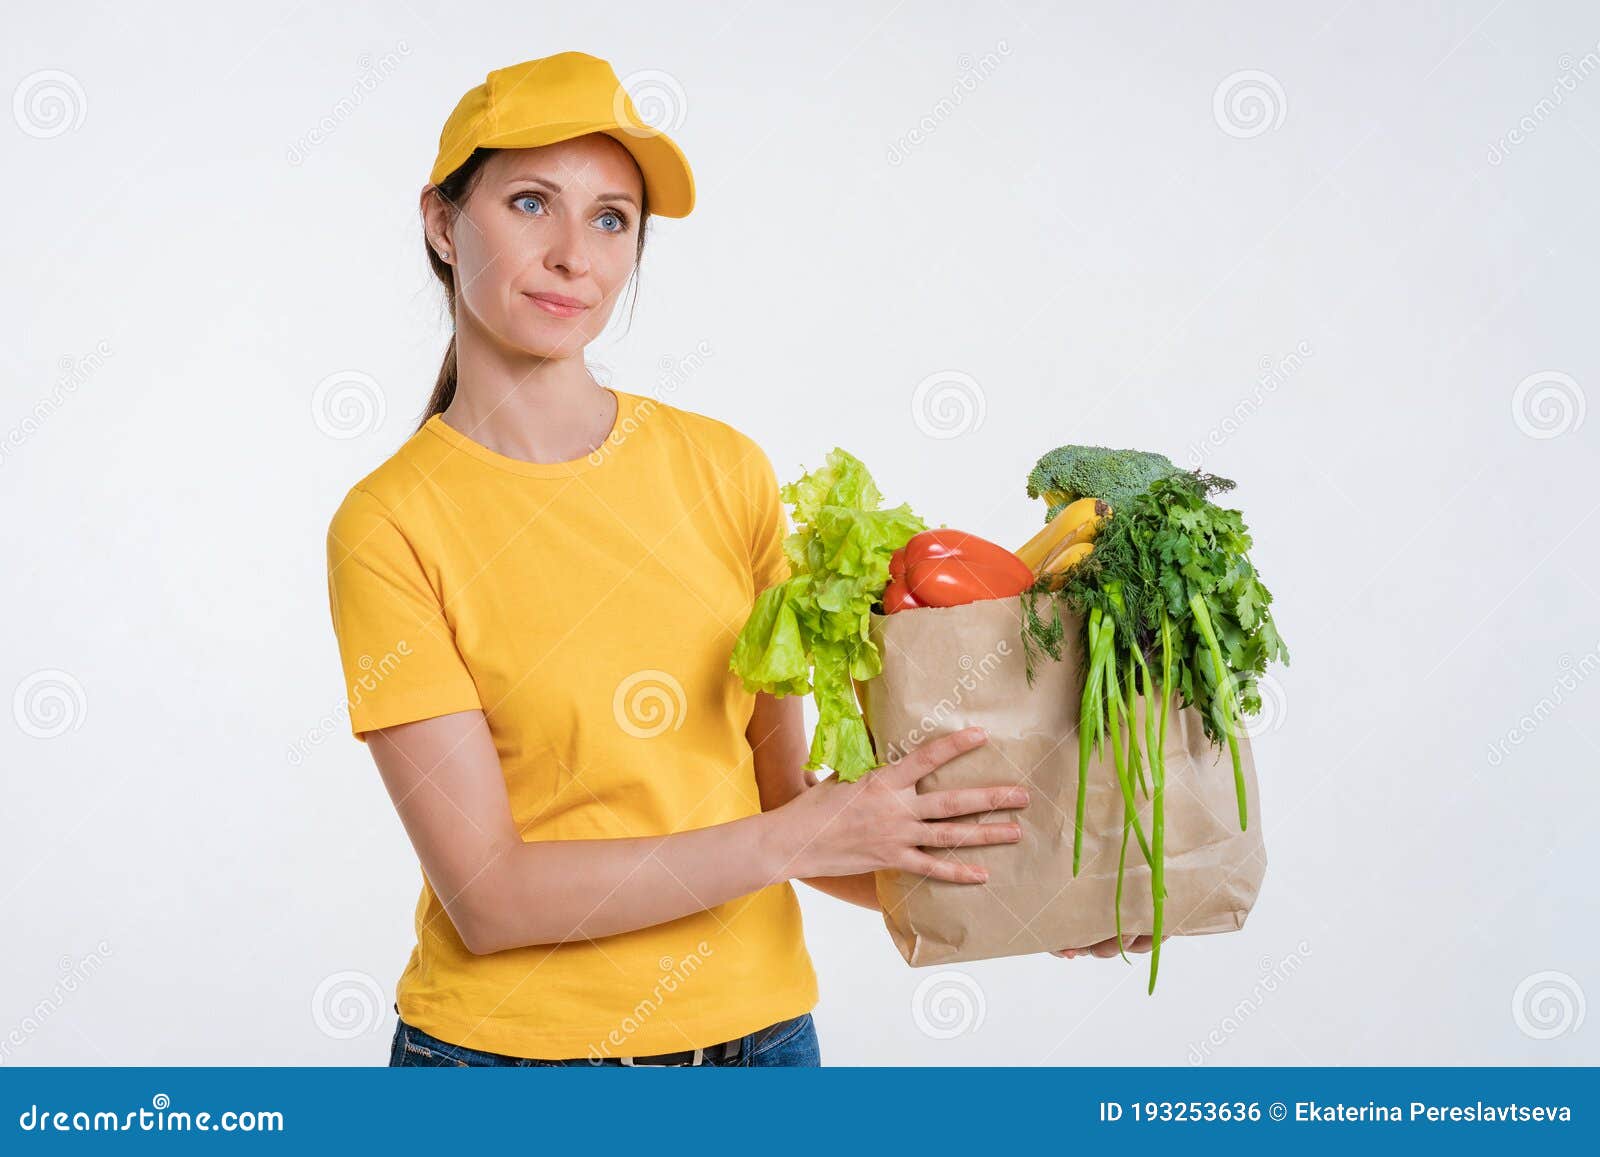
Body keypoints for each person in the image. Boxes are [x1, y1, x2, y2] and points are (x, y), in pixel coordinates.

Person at [325, 50, 1150, 1070]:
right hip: (510, 1066)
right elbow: (490, 898)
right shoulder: (391, 524)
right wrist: (802, 837)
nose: (572, 253)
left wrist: (1047, 892)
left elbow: (786, 815)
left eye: (611, 217)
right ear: (444, 223)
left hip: (762, 1046)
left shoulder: (721, 468)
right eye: (530, 202)